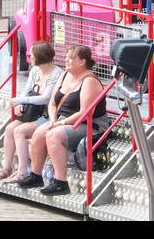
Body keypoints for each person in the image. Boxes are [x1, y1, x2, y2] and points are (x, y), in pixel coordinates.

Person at [20, 45, 104, 195]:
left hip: (88, 123)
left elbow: (84, 112)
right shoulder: (64, 74)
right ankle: (36, 175)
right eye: (66, 57)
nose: (66, 60)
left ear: (82, 62)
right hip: (62, 119)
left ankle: (61, 182)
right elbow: (52, 103)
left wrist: (60, 124)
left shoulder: (89, 80)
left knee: (54, 134)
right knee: (40, 132)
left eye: (71, 58)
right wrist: (53, 120)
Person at [0, 42, 62, 182]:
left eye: (32, 54)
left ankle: (22, 172)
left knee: (19, 131)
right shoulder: (35, 70)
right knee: (10, 128)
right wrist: (20, 103)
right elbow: (27, 89)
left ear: (40, 57)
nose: (30, 57)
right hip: (33, 112)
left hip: (48, 115)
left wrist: (22, 99)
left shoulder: (56, 74)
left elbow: (45, 98)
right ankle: (7, 168)